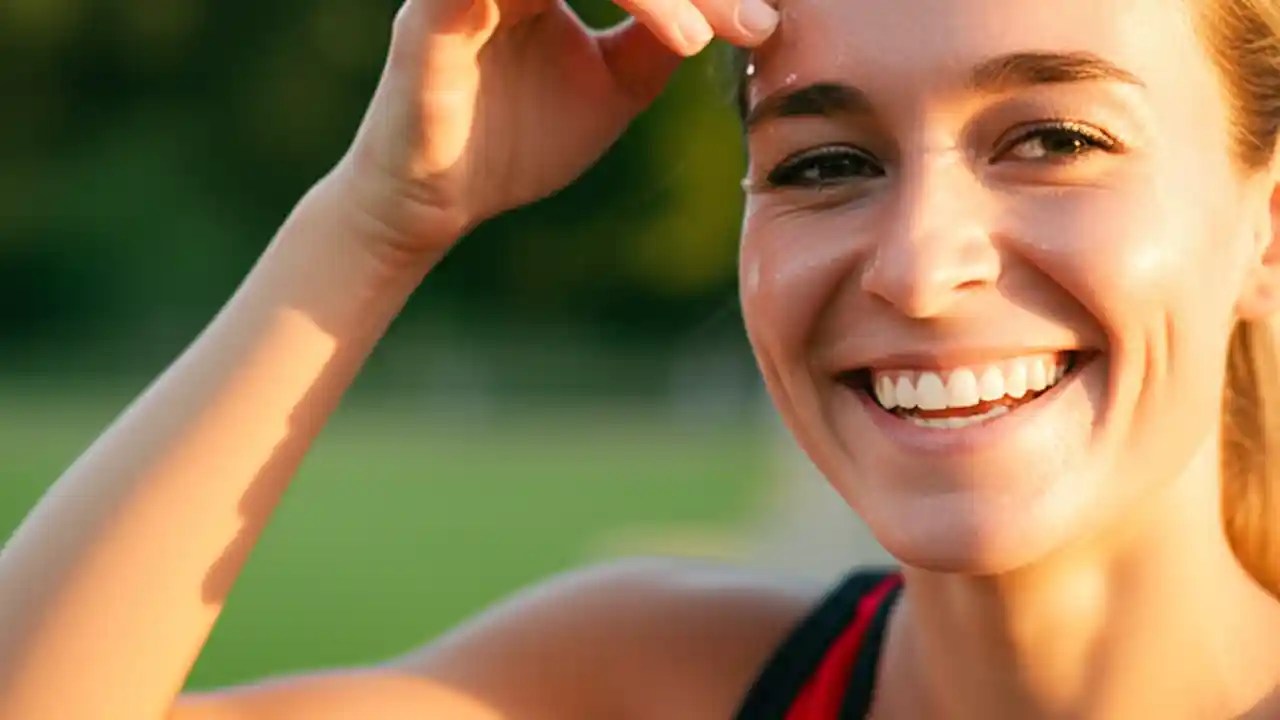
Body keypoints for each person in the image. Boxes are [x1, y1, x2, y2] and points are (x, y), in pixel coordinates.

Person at [5, 0, 1280, 716]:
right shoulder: (651, 685)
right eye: (824, 163)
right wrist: (379, 216)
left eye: (1054, 141)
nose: (913, 265)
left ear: (1264, 225)